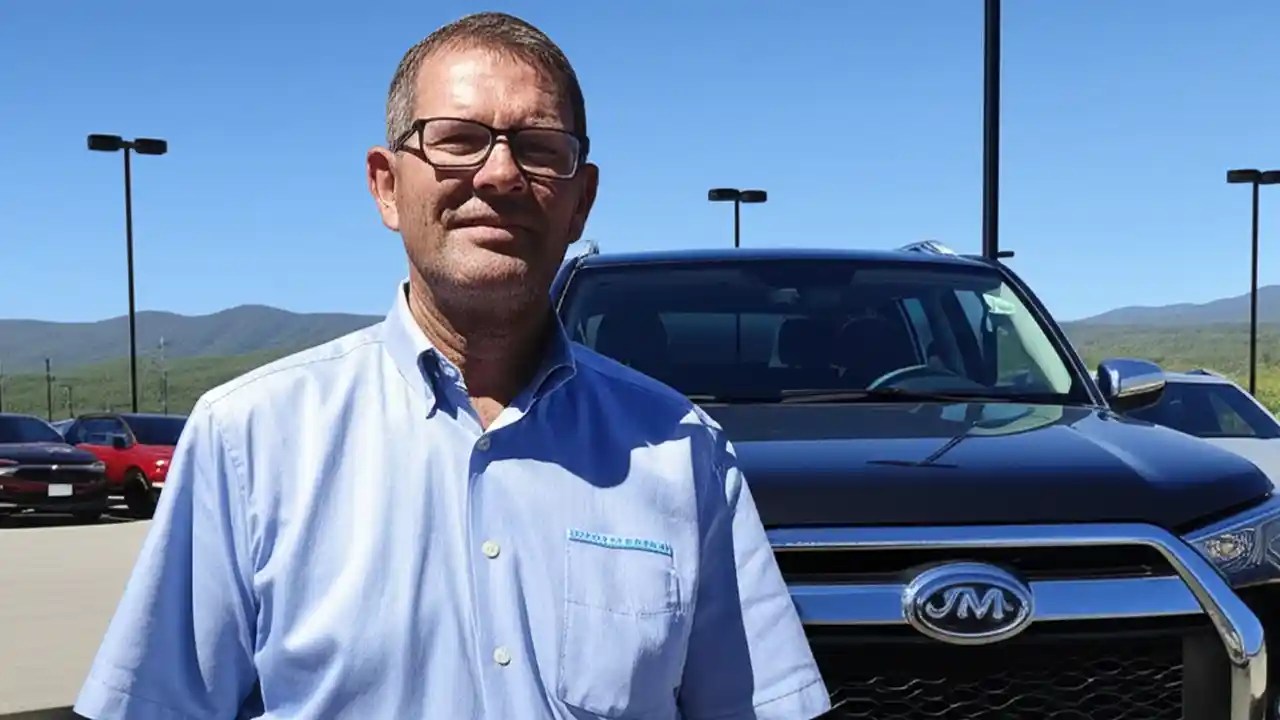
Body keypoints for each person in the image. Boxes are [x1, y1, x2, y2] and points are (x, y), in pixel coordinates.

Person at [72, 11, 829, 720]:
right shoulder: (250, 441)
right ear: (386, 185)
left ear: (580, 203)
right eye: (457, 139)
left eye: (539, 148)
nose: (499, 175)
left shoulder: (681, 450)